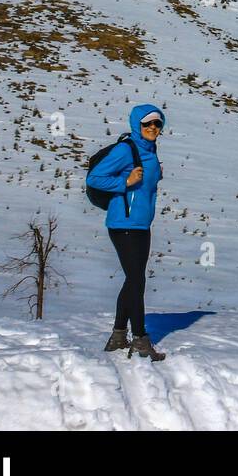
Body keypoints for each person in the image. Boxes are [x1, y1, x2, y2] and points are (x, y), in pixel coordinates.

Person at [88, 104, 168, 361]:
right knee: (137, 281)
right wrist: (125, 182)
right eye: (147, 124)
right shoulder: (126, 149)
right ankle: (141, 339)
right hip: (124, 225)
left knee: (133, 279)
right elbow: (95, 179)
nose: (153, 128)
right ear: (137, 126)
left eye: (157, 124)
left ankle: (119, 335)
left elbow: (144, 185)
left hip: (140, 224)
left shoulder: (150, 151)